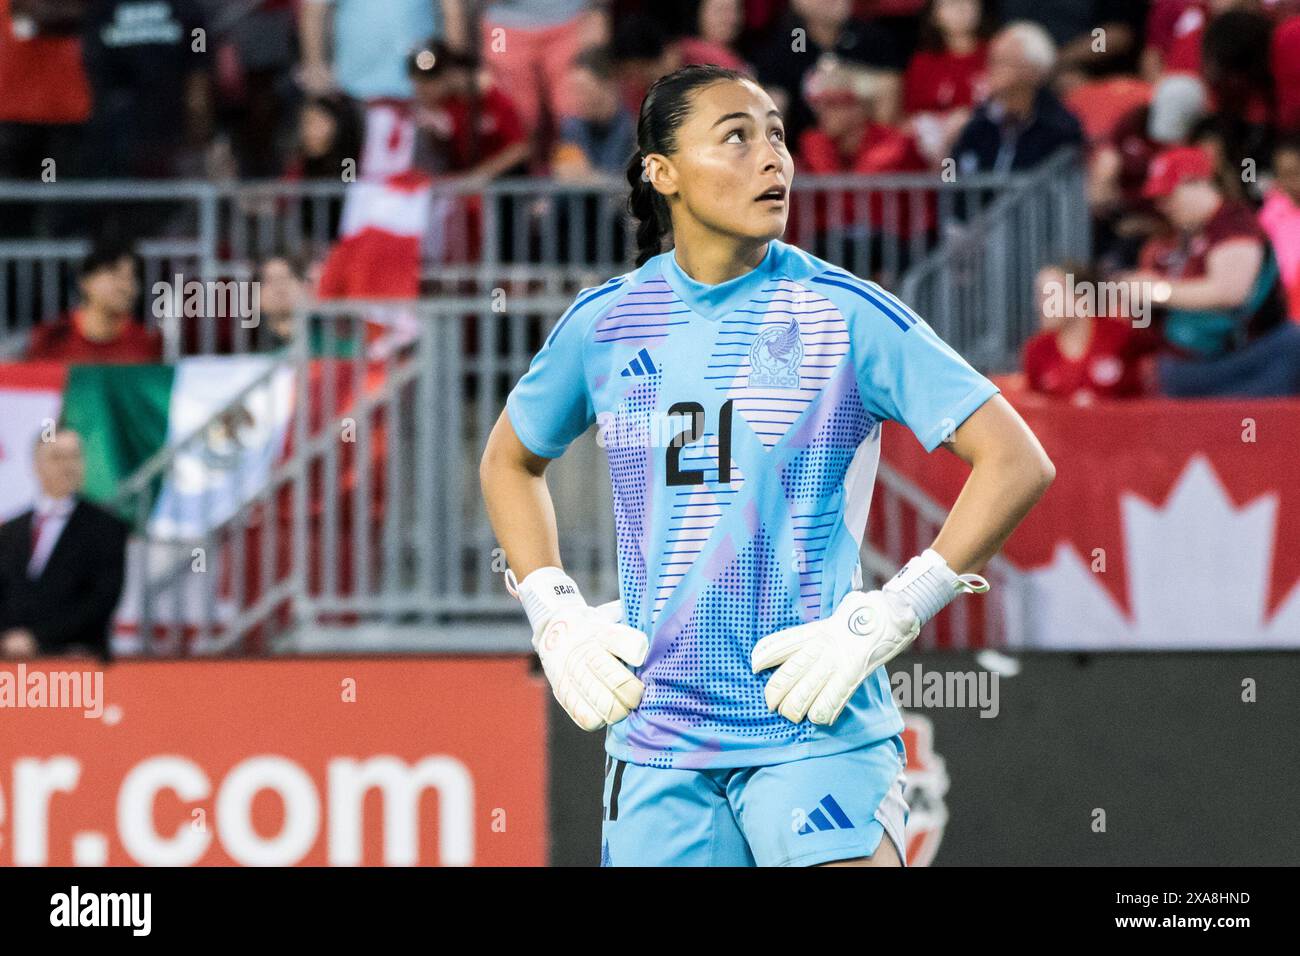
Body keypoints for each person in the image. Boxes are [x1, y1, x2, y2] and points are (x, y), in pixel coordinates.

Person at [479, 64, 1055, 867]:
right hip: (656, 742)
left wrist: (892, 615)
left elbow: (1015, 459)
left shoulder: (843, 312)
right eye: (737, 137)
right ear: (663, 172)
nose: (773, 158)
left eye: (778, 136)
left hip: (813, 723)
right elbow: (509, 460)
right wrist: (555, 612)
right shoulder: (606, 323)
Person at [1128, 145, 1300, 397]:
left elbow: (1229, 291)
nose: (1164, 205)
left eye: (1169, 195)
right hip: (1189, 366)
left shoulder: (1234, 224)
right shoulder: (1179, 235)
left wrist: (1155, 289)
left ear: (1198, 184)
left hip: (1249, 362)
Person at [0, 428, 128, 662]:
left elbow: (101, 599)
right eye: (58, 457)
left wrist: (37, 638)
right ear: (37, 464)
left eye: (74, 456)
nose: (68, 466)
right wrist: (7, 639)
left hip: (77, 667)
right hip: (10, 667)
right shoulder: (9, 532)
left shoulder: (106, 528)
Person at [951, 21, 1084, 175]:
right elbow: (956, 184)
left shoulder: (1060, 128)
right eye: (991, 60)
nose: (992, 69)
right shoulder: (976, 124)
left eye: (1003, 62)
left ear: (1034, 72)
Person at [1022, 263, 1155, 403]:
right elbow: (1036, 408)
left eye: (1051, 295)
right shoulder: (1036, 349)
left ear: (1081, 297)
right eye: (1039, 296)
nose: (1041, 305)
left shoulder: (1120, 334)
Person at [26, 245, 162, 363]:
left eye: (132, 277)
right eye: (114, 274)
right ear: (85, 281)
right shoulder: (51, 339)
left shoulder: (147, 344)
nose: (125, 286)